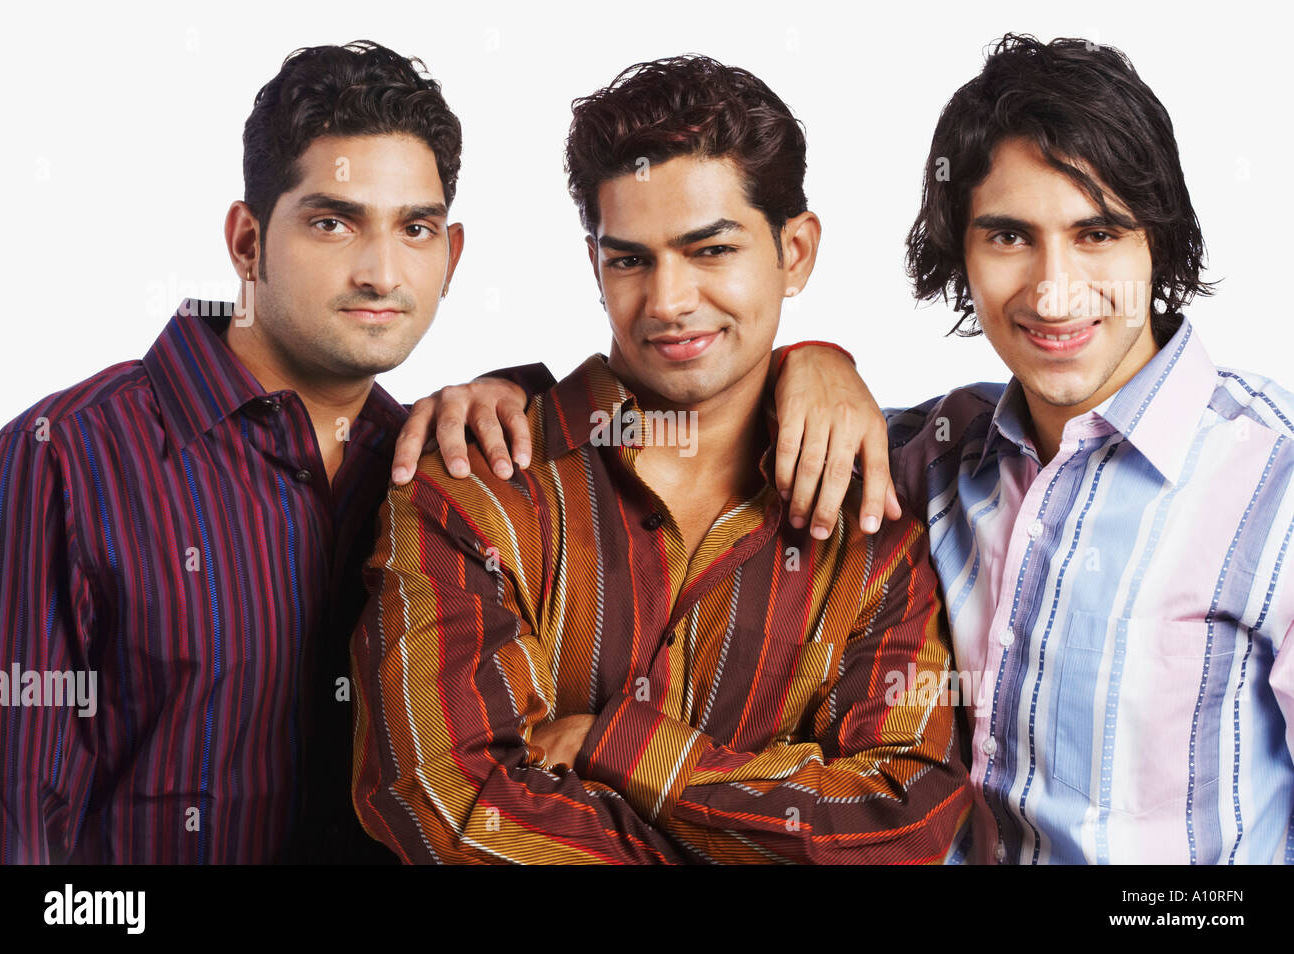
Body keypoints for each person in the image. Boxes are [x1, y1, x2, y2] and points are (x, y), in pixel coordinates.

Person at [423, 35, 1294, 864]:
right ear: (960, 248)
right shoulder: (921, 457)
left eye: (1097, 233)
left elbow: (900, 811)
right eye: (1008, 235)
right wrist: (516, 393)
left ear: (1162, 237)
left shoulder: (1275, 481)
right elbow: (725, 395)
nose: (1054, 289)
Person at [351, 55, 972, 864]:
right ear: (594, 264)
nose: (669, 302)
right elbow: (450, 808)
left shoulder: (876, 530)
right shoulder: (475, 482)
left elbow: (902, 820)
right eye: (631, 259)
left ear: (797, 253)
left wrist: (619, 747)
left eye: (710, 251)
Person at [0, 39, 534, 863]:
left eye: (415, 229)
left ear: (451, 256)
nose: (381, 273)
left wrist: (808, 363)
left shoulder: (435, 471)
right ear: (247, 242)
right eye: (333, 222)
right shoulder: (63, 457)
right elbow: (18, 823)